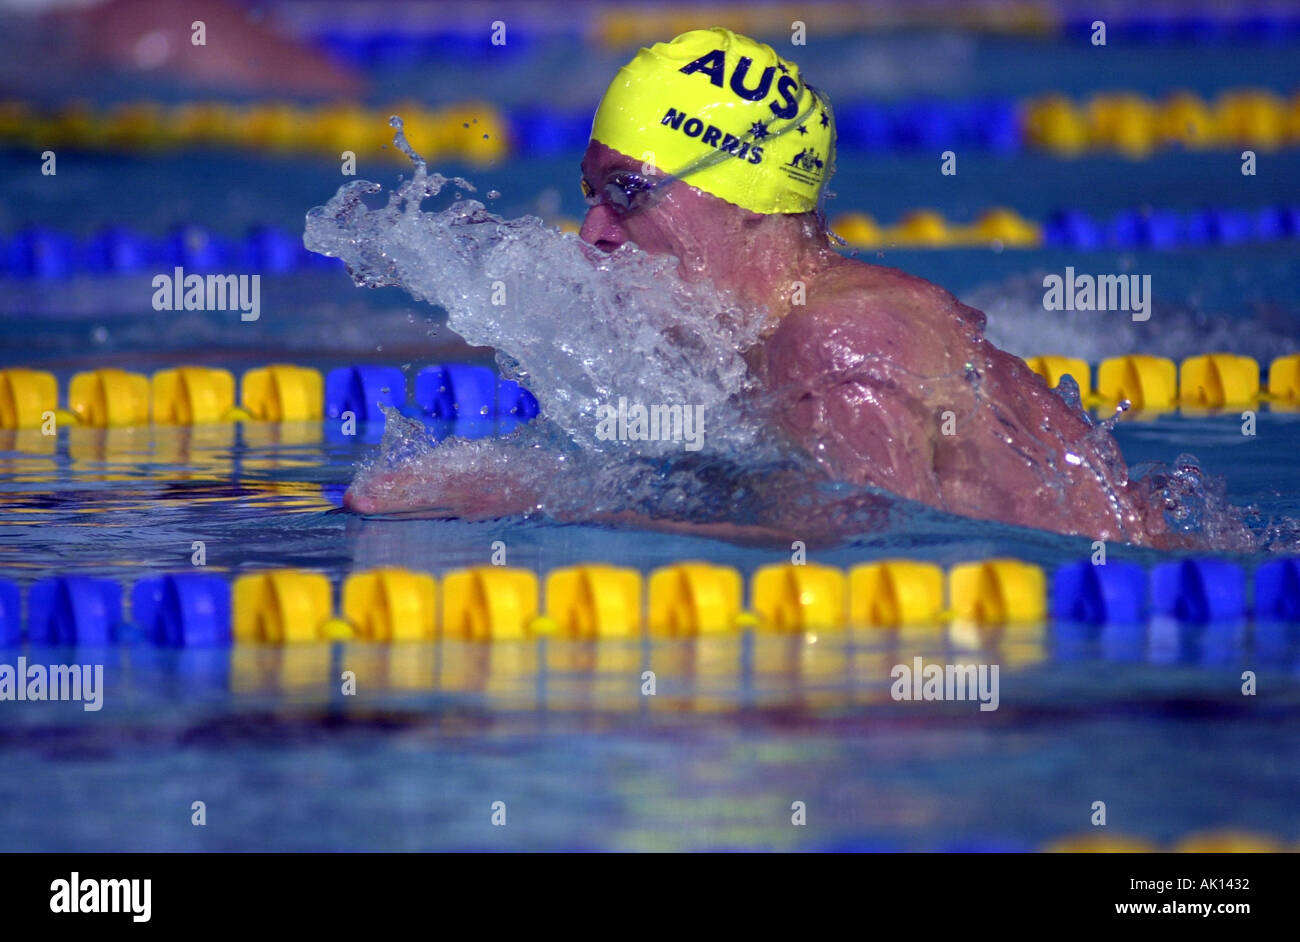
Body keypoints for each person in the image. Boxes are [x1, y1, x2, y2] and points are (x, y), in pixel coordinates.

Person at [350, 27, 1165, 546]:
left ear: (744, 195)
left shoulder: (836, 339)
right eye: (591, 195)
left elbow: (876, 544)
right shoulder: (772, 337)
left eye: (629, 191)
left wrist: (536, 498)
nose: (593, 232)